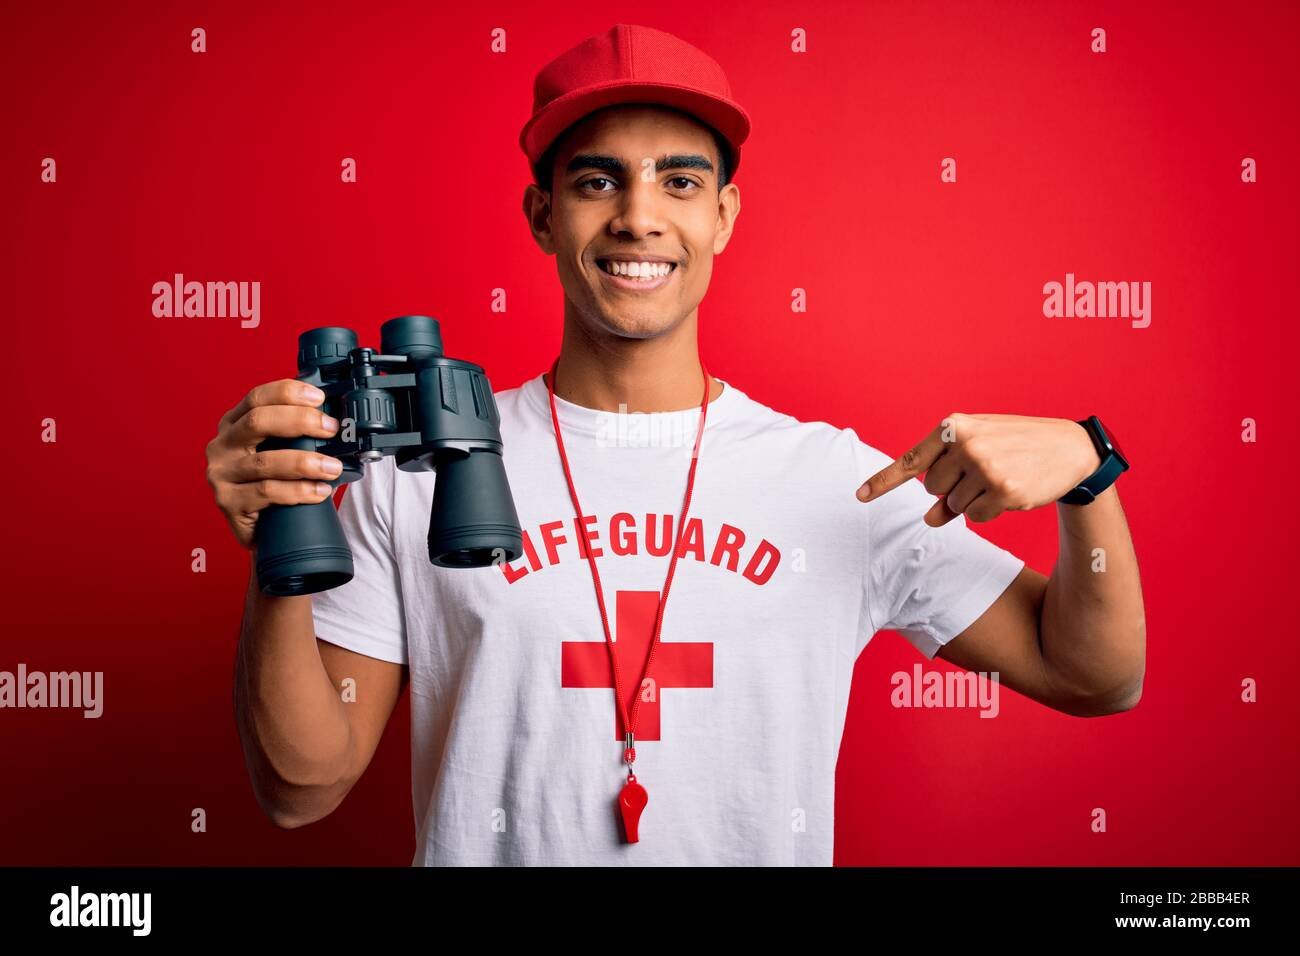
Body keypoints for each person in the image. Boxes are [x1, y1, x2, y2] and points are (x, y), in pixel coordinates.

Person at [205, 24, 1146, 866]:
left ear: (724, 217)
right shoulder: (421, 474)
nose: (639, 217)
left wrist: (1088, 472)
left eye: (680, 181)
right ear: (543, 216)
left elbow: (1091, 676)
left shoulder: (839, 481)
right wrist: (281, 535)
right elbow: (301, 790)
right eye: (596, 179)